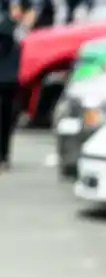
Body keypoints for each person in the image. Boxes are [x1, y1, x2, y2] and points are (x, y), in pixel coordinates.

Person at [0, 5, 19, 171]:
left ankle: (4, 155)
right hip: (9, 76)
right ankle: (4, 155)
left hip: (6, 77)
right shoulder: (8, 20)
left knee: (5, 117)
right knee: (5, 118)